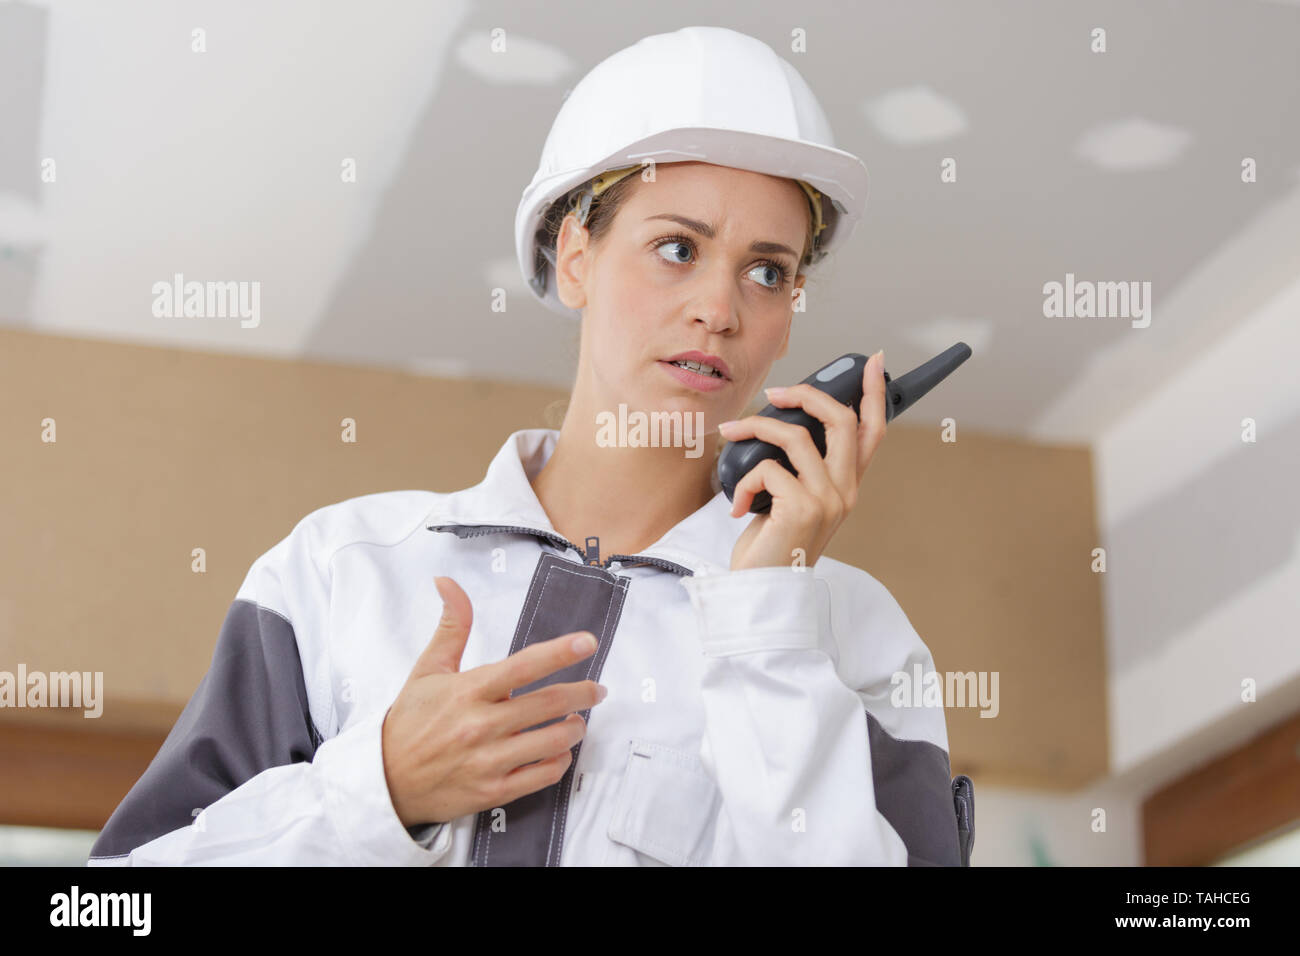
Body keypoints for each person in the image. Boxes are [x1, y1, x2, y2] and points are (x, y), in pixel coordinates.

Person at [88, 25, 971, 867]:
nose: (721, 308)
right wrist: (382, 789)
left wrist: (771, 617)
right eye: (676, 247)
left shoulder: (853, 634)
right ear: (577, 255)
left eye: (768, 271)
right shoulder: (337, 572)